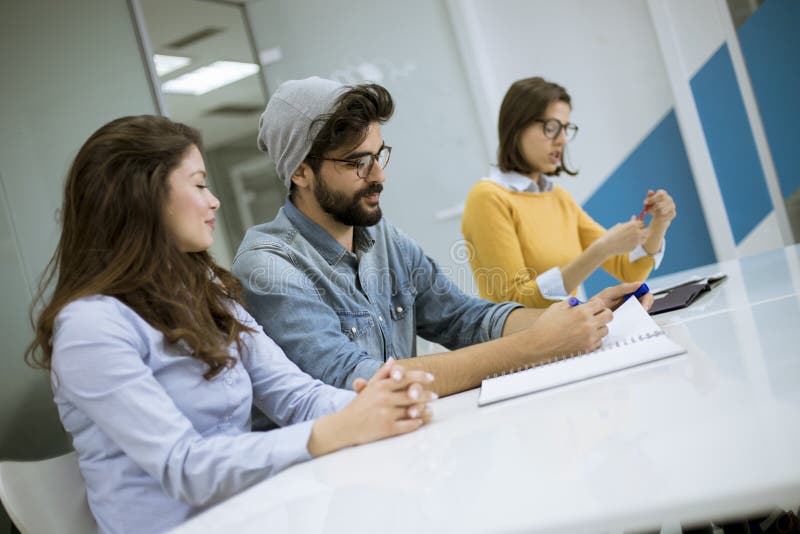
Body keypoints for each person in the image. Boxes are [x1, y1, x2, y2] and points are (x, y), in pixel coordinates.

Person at [24, 115, 436, 534]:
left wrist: (378, 403)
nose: (214, 200)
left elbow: (295, 396)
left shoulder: (206, 293)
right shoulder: (89, 328)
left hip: (260, 513)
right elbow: (184, 466)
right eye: (199, 184)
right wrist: (330, 432)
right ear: (144, 197)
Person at [233, 76, 652, 399]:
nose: (379, 175)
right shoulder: (268, 266)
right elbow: (360, 383)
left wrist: (584, 314)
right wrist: (536, 347)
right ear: (299, 171)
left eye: (379, 155)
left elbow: (462, 317)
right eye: (358, 162)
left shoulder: (382, 236)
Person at [461, 76, 677, 308]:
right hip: (527, 343)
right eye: (552, 128)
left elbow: (628, 270)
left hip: (569, 335)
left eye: (565, 129)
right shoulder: (488, 198)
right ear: (516, 126)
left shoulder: (559, 198)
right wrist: (602, 249)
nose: (562, 140)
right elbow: (515, 303)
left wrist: (658, 226)